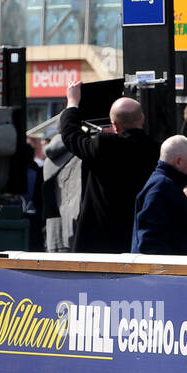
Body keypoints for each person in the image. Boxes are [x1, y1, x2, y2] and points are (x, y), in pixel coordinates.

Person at [60, 80, 160, 253]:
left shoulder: (104, 146)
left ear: (114, 125)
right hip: (137, 237)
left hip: (99, 238)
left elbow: (71, 136)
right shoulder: (155, 149)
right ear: (142, 118)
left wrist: (72, 103)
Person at [131, 136, 187, 254]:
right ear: (178, 161)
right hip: (164, 270)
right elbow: (149, 241)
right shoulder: (161, 188)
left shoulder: (164, 185)